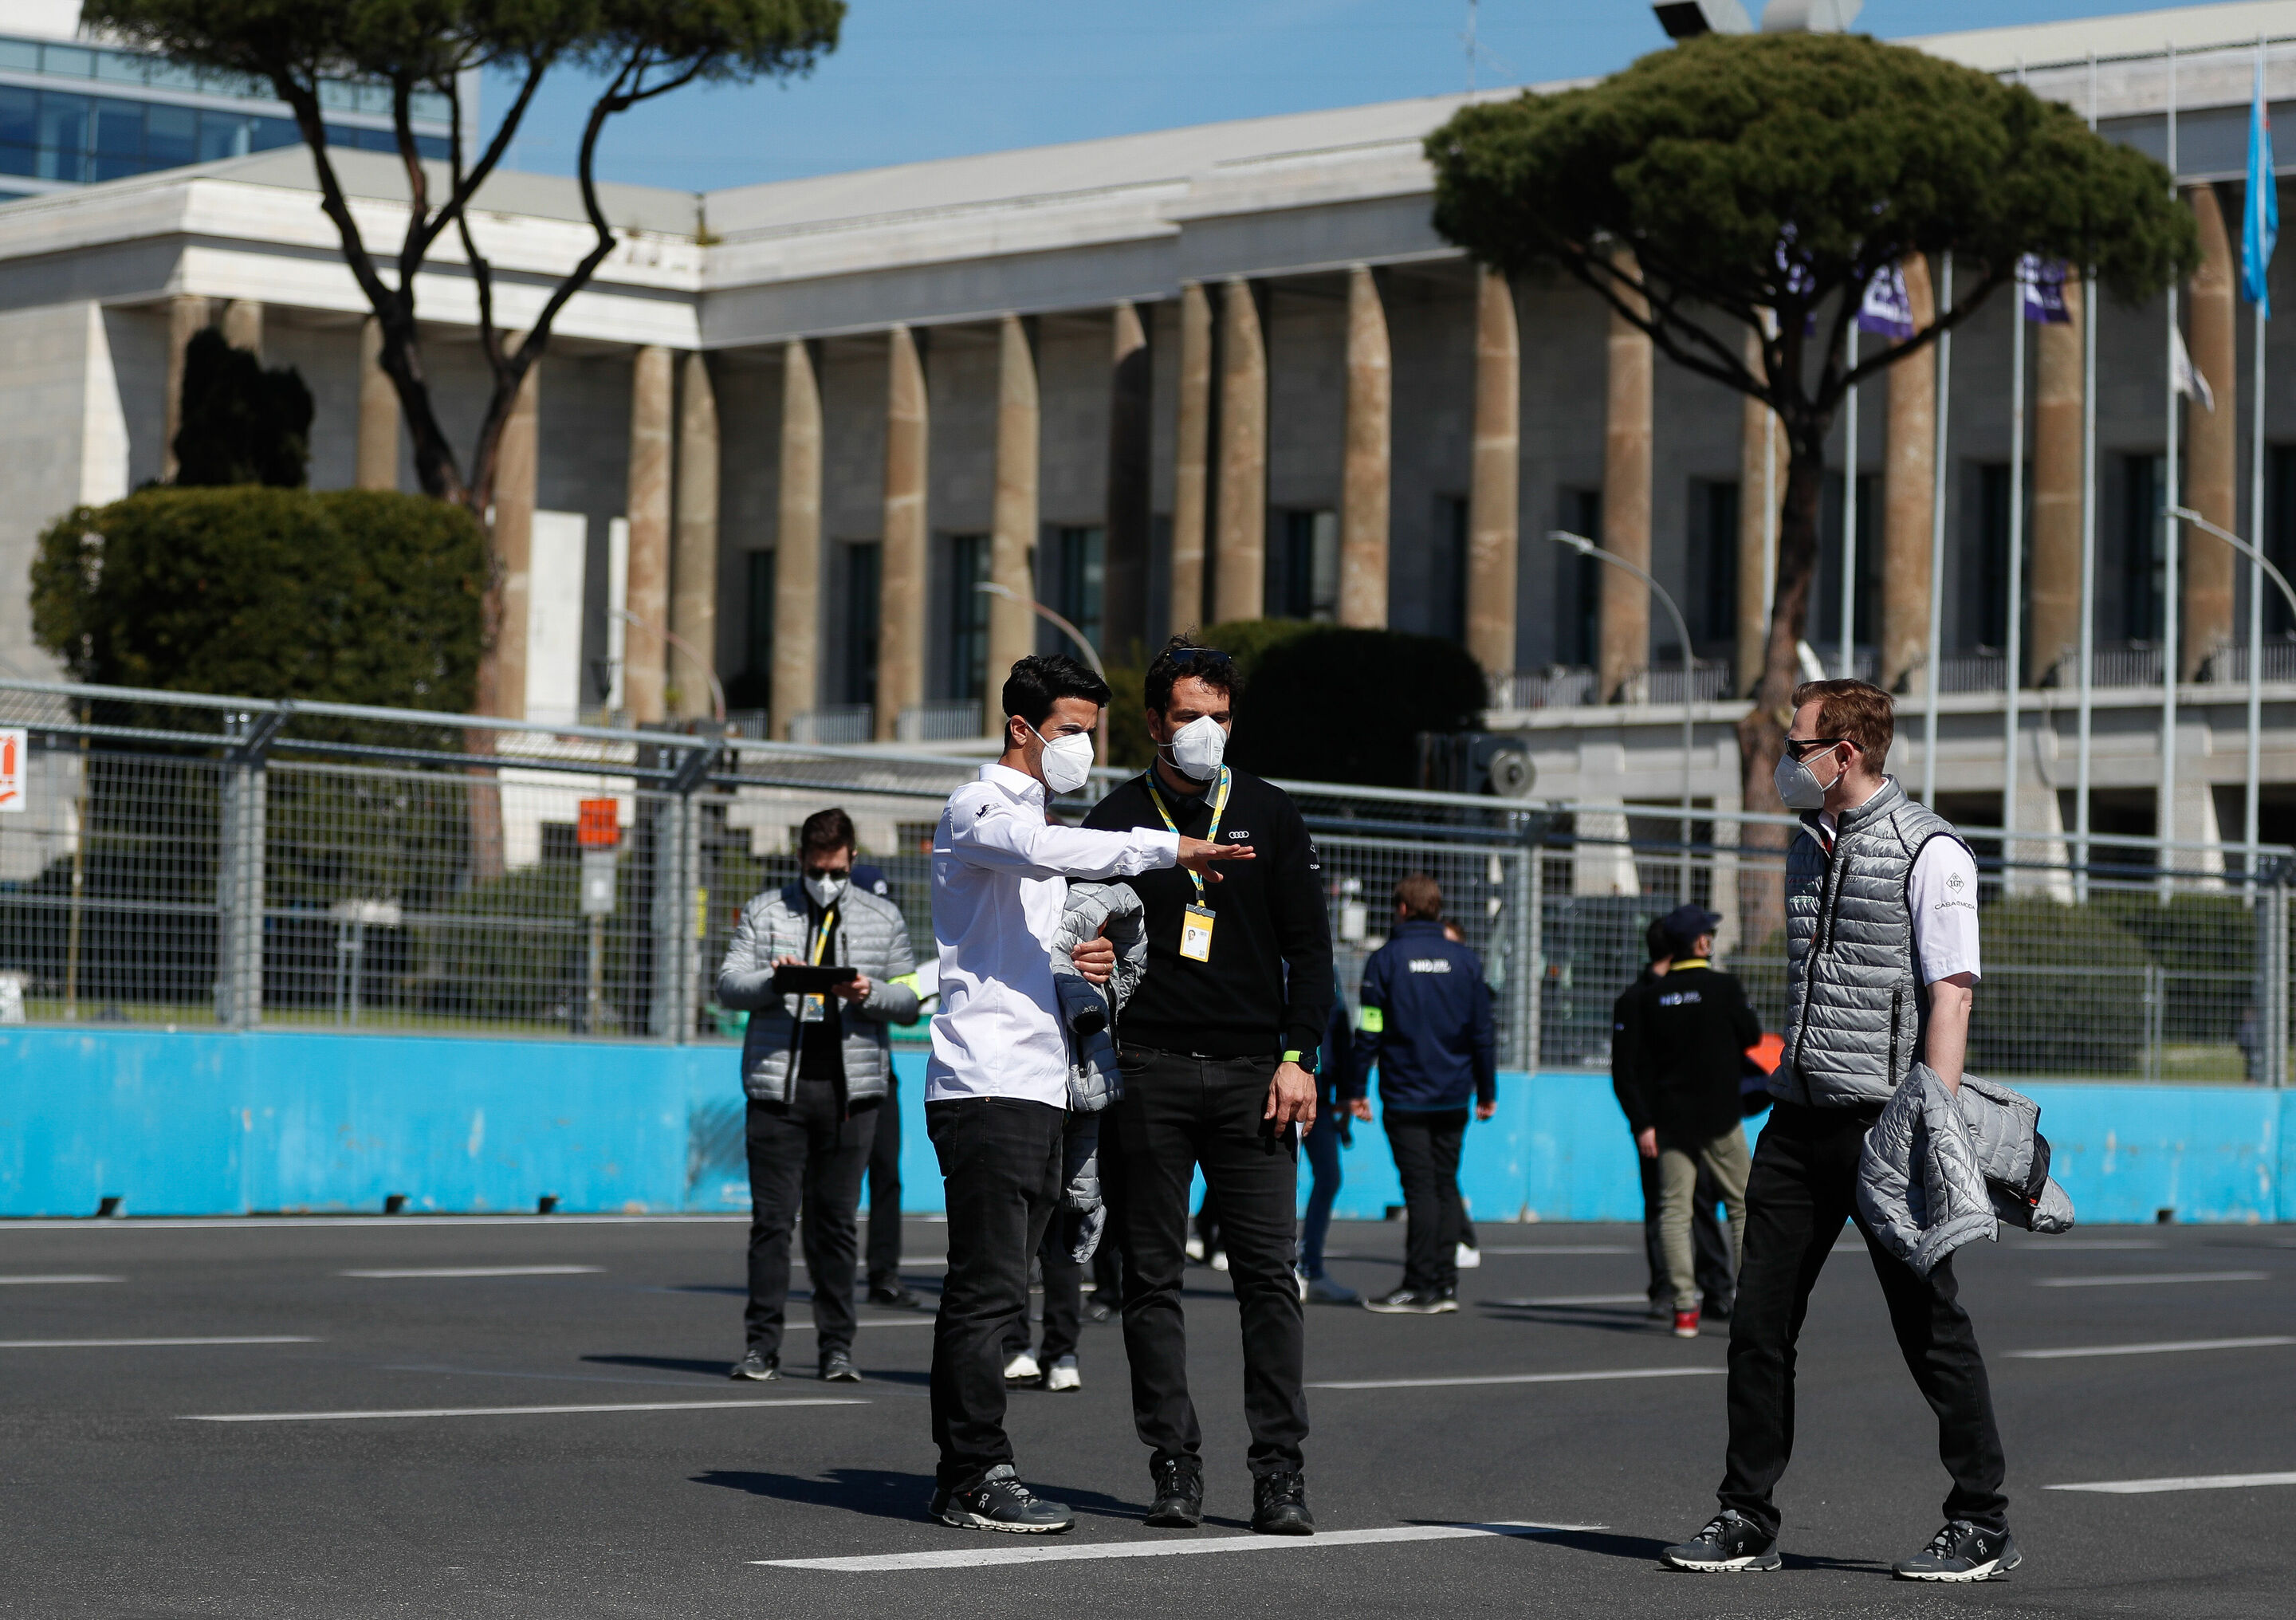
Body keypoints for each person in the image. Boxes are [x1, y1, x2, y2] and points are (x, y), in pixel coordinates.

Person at [1664, 679, 2015, 1583]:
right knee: (1759, 1322)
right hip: (1798, 1118)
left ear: (1844, 753)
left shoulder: (1932, 850)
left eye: (1798, 746)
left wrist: (1928, 1126)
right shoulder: (1805, 845)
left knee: (1928, 1326)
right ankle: (1747, 1515)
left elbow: (1951, 996)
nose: (1787, 760)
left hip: (1887, 1125)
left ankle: (1981, 1521)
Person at [925, 652, 1249, 1535]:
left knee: (1011, 1287)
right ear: (1021, 728)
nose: (1083, 747)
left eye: (1091, 732)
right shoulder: (979, 807)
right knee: (987, 1289)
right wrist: (1169, 847)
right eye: (1071, 730)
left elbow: (1034, 942)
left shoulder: (1036, 823)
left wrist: (1083, 962)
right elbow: (1046, 850)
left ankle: (973, 1469)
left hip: (1041, 1085)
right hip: (985, 1083)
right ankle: (972, 1474)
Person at [1083, 637, 1331, 1537]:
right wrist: (1085, 961)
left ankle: (1280, 1475)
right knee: (1150, 1279)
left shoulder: (1270, 810)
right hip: (1147, 1069)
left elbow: (1311, 950)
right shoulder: (1114, 818)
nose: (1206, 732)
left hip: (1255, 1076)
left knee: (1269, 1280)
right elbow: (1072, 933)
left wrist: (1299, 1056)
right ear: (1155, 721)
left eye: (1220, 717)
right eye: (1189, 716)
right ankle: (1174, 1464)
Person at [716, 808, 921, 1383]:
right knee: (772, 1224)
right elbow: (729, 986)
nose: (825, 881)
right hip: (777, 1092)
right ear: (800, 861)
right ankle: (761, 1347)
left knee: (836, 1226)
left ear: (852, 860)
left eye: (835, 871)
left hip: (851, 1095)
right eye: (815, 870)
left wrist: (868, 992)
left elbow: (910, 1001)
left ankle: (837, 1349)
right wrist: (774, 980)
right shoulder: (765, 911)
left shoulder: (883, 916)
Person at [1352, 873, 1496, 1314]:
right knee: (1445, 1183)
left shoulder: (1386, 959)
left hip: (1406, 1094)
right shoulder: (1466, 961)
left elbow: (1370, 1029)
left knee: (1420, 1190)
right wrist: (1487, 1089)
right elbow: (1482, 1032)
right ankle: (1445, 1285)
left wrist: (1356, 1088)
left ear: (1402, 909)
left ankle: (1420, 1285)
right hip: (1454, 1093)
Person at [1631, 902, 1759, 1341]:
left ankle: (1684, 1309)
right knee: (1743, 1206)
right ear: (1700, 943)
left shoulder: (1653, 996)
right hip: (1721, 1117)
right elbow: (1751, 1035)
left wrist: (1646, 1120)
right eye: (1710, 934)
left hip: (1671, 1119)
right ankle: (1749, 1306)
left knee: (1674, 1212)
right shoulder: (1723, 987)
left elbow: (1641, 1064)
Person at [1614, 919, 1736, 1323]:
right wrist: (1642, 1124)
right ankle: (1667, 1289)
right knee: (1664, 1205)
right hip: (1659, 1121)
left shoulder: (1694, 992)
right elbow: (1625, 1072)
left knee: (1704, 1201)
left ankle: (1716, 1289)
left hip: (1697, 1116)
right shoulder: (1637, 999)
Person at [1296, 973, 1362, 1304]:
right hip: (1277, 1091)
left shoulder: (1327, 969)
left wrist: (1347, 1094)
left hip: (1319, 1096)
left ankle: (1310, 1269)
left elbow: (1341, 1033)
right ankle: (1278, 1270)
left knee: (1329, 1176)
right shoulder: (1272, 958)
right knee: (1277, 1181)